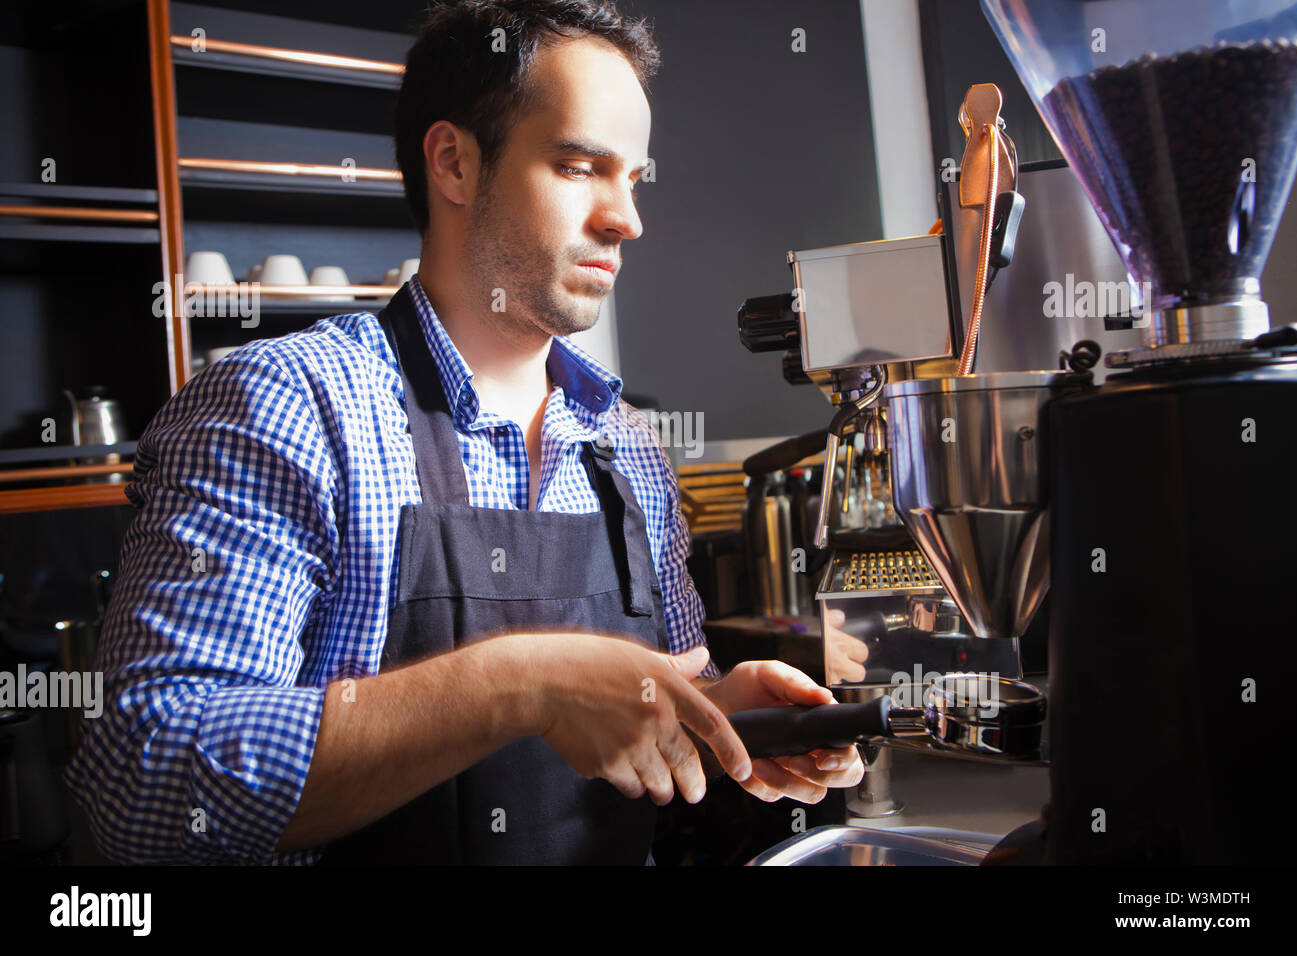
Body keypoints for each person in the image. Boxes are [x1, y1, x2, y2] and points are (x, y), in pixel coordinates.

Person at [66, 0, 863, 865]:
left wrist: (719, 714)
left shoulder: (628, 443)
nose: (626, 219)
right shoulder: (288, 405)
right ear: (453, 161)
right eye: (577, 166)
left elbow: (657, 693)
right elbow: (141, 782)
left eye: (631, 178)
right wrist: (517, 683)